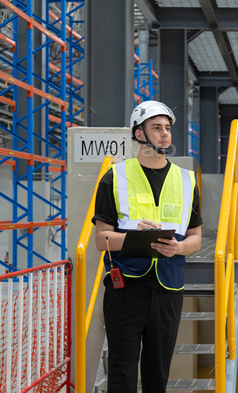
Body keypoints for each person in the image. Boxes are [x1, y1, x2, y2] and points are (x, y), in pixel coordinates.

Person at [92, 100, 203, 392]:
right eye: (156, 128)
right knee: (122, 374)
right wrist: (132, 237)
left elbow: (195, 238)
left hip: (169, 289)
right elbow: (100, 239)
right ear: (139, 133)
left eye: (167, 128)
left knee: (158, 375)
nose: (165, 134)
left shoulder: (186, 180)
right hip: (126, 288)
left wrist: (179, 249)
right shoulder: (114, 177)